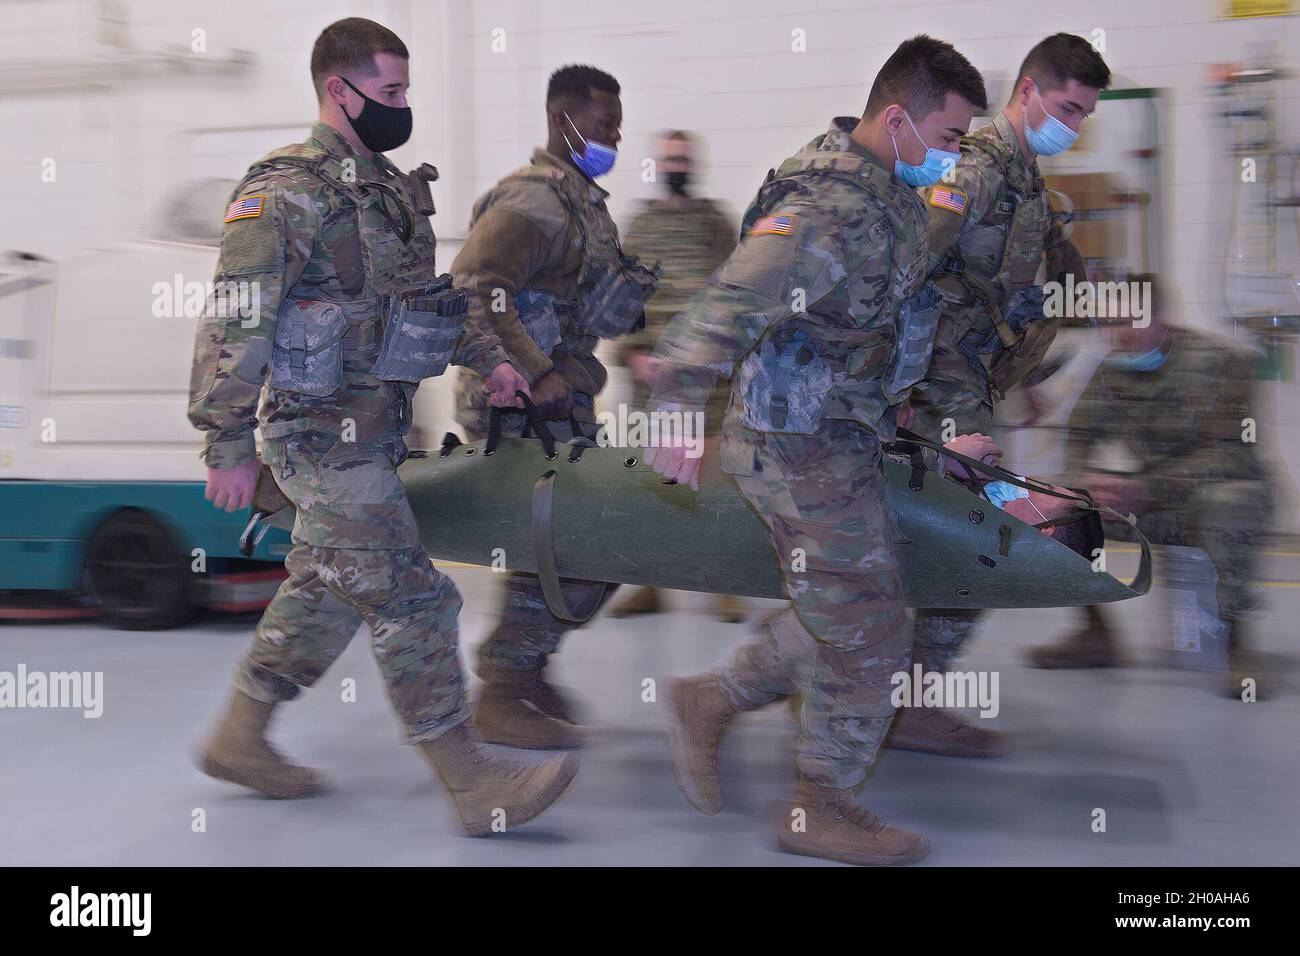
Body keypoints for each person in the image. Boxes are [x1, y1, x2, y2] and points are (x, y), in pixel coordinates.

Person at [187, 17, 576, 836]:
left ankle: (238, 735)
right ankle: (473, 781)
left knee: (326, 591)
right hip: (314, 437)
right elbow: (236, 315)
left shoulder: (393, 189)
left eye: (405, 90)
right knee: (411, 593)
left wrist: (489, 359)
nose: (403, 106)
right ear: (340, 89)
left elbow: (431, 297)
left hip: (378, 432)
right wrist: (226, 442)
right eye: (390, 91)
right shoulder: (285, 189)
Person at [645, 35, 996, 865]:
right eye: (948, 139)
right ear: (900, 118)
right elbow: (730, 297)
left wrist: (936, 422)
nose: (952, 159)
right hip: (793, 444)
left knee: (847, 608)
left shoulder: (891, 198)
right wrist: (676, 406)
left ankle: (712, 699)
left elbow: (896, 324)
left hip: (842, 434)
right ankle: (817, 805)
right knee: (873, 623)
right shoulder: (827, 204)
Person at [899, 32, 1109, 757]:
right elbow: (909, 268)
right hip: (937, 387)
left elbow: (1029, 297)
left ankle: (885, 694)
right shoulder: (974, 172)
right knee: (984, 537)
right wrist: (891, 389)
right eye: (1066, 108)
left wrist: (1032, 386)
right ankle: (900, 699)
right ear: (1027, 92)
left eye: (1084, 115)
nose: (1073, 126)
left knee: (949, 540)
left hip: (977, 388)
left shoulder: (1030, 187)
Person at [451, 65, 659, 750]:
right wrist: (531, 371)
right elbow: (479, 290)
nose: (615, 136)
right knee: (567, 538)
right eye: (604, 125)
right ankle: (504, 687)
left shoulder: (580, 203)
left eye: (618, 125)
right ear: (563, 122)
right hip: (517, 405)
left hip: (562, 404)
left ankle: (523, 669)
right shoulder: (530, 201)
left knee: (568, 542)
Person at [1025, 275, 1274, 699]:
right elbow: (1082, 434)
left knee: (1230, 505)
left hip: (1224, 492)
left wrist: (1144, 487)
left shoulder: (1222, 362)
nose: (1117, 332)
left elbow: (1230, 456)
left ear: (1161, 318)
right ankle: (1096, 633)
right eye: (1110, 321)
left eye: (1128, 319)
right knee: (1058, 506)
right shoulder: (1114, 367)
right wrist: (1087, 480)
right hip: (1154, 502)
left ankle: (1239, 646)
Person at [612, 129, 746, 623]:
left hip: (709, 381)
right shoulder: (639, 226)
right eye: (669, 159)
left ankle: (725, 584)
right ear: (656, 166)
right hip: (652, 379)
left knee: (716, 481)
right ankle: (650, 583)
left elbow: (736, 290)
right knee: (652, 483)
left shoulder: (716, 223)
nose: (677, 166)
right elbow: (620, 298)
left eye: (684, 159)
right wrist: (633, 352)